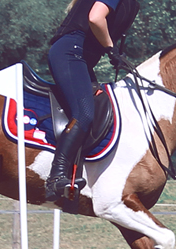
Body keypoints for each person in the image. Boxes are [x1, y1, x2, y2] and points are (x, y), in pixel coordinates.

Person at [45, 0, 139, 201]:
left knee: (98, 108)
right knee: (84, 113)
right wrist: (110, 48)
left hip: (80, 57)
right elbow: (95, 17)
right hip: (71, 52)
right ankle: (56, 176)